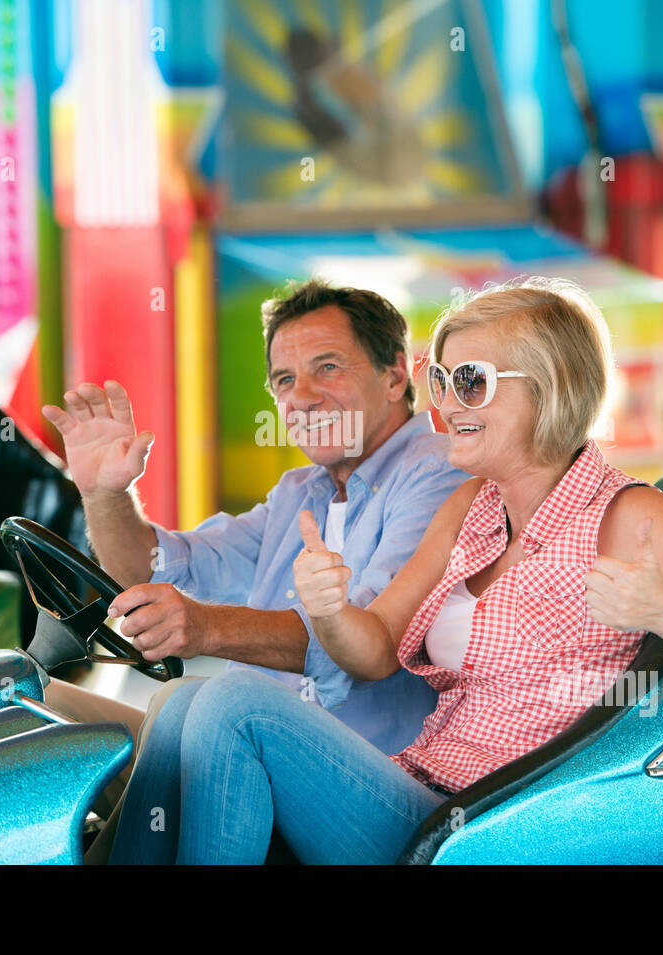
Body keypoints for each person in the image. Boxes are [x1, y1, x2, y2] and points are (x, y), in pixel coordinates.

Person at [108, 277, 663, 865]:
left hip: (501, 825)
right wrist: (329, 608)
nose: (446, 405)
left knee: (233, 703)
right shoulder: (474, 507)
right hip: (425, 799)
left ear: (552, 385)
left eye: (471, 382)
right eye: (442, 380)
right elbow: (372, 648)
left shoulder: (629, 516)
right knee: (181, 704)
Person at [38, 279, 467, 853]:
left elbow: (369, 635)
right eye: (285, 380)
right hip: (265, 759)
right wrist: (105, 494)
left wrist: (208, 626)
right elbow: (159, 569)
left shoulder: (438, 472)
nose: (303, 396)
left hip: (386, 790)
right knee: (35, 697)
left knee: (222, 702)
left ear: (395, 375)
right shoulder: (301, 493)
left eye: (328, 367)